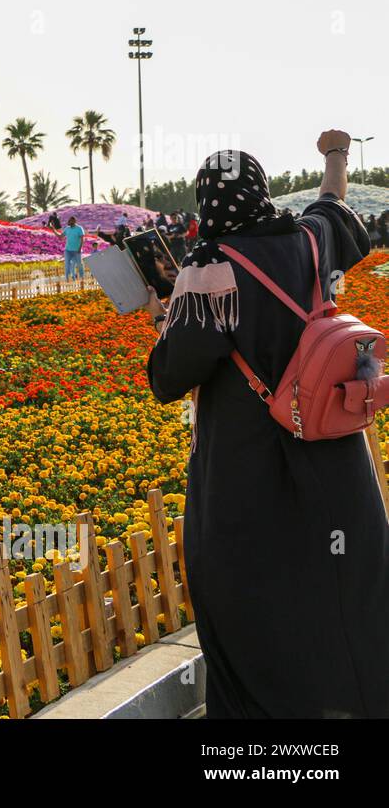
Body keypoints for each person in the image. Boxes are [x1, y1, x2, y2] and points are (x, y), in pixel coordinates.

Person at [145, 135, 389, 718]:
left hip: (247, 471)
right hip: (332, 455)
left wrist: (160, 312)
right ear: (260, 189)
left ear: (207, 204)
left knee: (248, 601)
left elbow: (169, 377)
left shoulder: (208, 268)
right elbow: (331, 201)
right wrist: (336, 154)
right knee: (343, 588)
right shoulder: (312, 237)